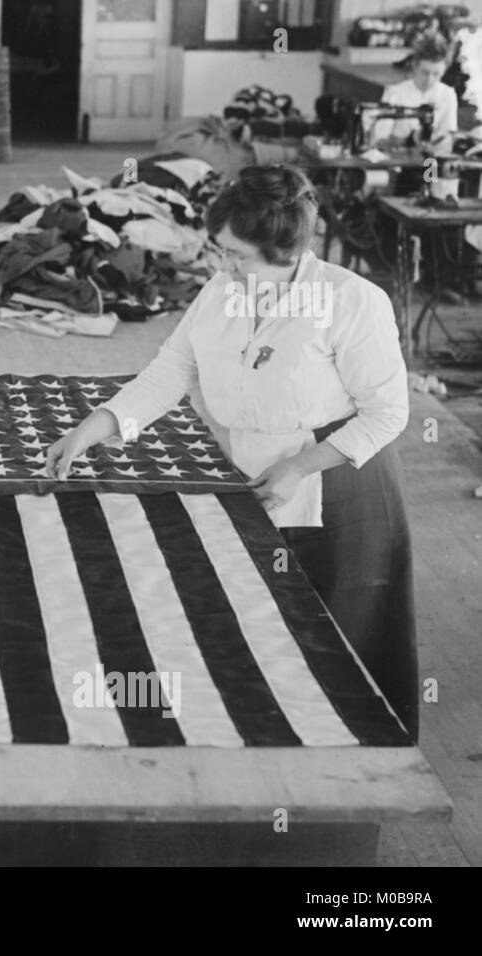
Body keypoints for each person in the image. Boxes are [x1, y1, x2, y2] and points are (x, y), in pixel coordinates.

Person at [45, 165, 418, 740]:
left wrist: (298, 465)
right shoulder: (222, 291)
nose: (225, 268)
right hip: (253, 481)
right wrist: (94, 428)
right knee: (258, 626)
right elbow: (172, 369)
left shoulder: (353, 303)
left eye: (239, 256)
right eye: (221, 252)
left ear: (287, 250)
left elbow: (388, 412)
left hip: (339, 489)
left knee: (340, 639)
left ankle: (344, 767)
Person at [371, 32, 457, 150]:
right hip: (399, 160)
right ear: (414, 66)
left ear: (444, 71)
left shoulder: (448, 94)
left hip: (431, 160)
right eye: (425, 72)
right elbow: (380, 139)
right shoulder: (394, 93)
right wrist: (410, 140)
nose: (430, 79)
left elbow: (448, 136)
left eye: (436, 74)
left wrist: (441, 143)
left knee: (432, 167)